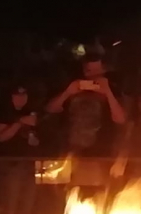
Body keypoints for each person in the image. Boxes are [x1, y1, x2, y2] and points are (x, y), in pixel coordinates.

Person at [45, 54, 126, 195]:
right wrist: (67, 92)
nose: (93, 76)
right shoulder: (73, 87)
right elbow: (50, 110)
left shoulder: (112, 89)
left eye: (97, 72)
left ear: (104, 70)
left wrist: (107, 92)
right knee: (67, 196)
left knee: (94, 196)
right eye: (89, 71)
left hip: (98, 154)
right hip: (69, 153)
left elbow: (121, 119)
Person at [0, 84, 39, 214]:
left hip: (27, 163)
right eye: (17, 95)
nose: (21, 99)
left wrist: (33, 137)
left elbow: (34, 138)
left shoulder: (30, 112)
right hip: (8, 164)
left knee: (27, 205)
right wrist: (19, 123)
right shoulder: (2, 112)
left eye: (24, 95)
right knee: (10, 206)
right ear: (10, 97)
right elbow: (1, 137)